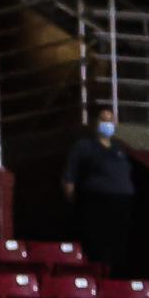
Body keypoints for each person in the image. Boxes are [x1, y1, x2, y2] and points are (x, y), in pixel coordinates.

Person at [62, 108, 136, 274]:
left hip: (122, 203)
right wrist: (73, 200)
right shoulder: (84, 146)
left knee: (117, 244)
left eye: (110, 120)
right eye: (104, 120)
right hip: (97, 201)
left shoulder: (120, 149)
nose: (107, 124)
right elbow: (69, 176)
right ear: (96, 123)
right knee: (96, 243)